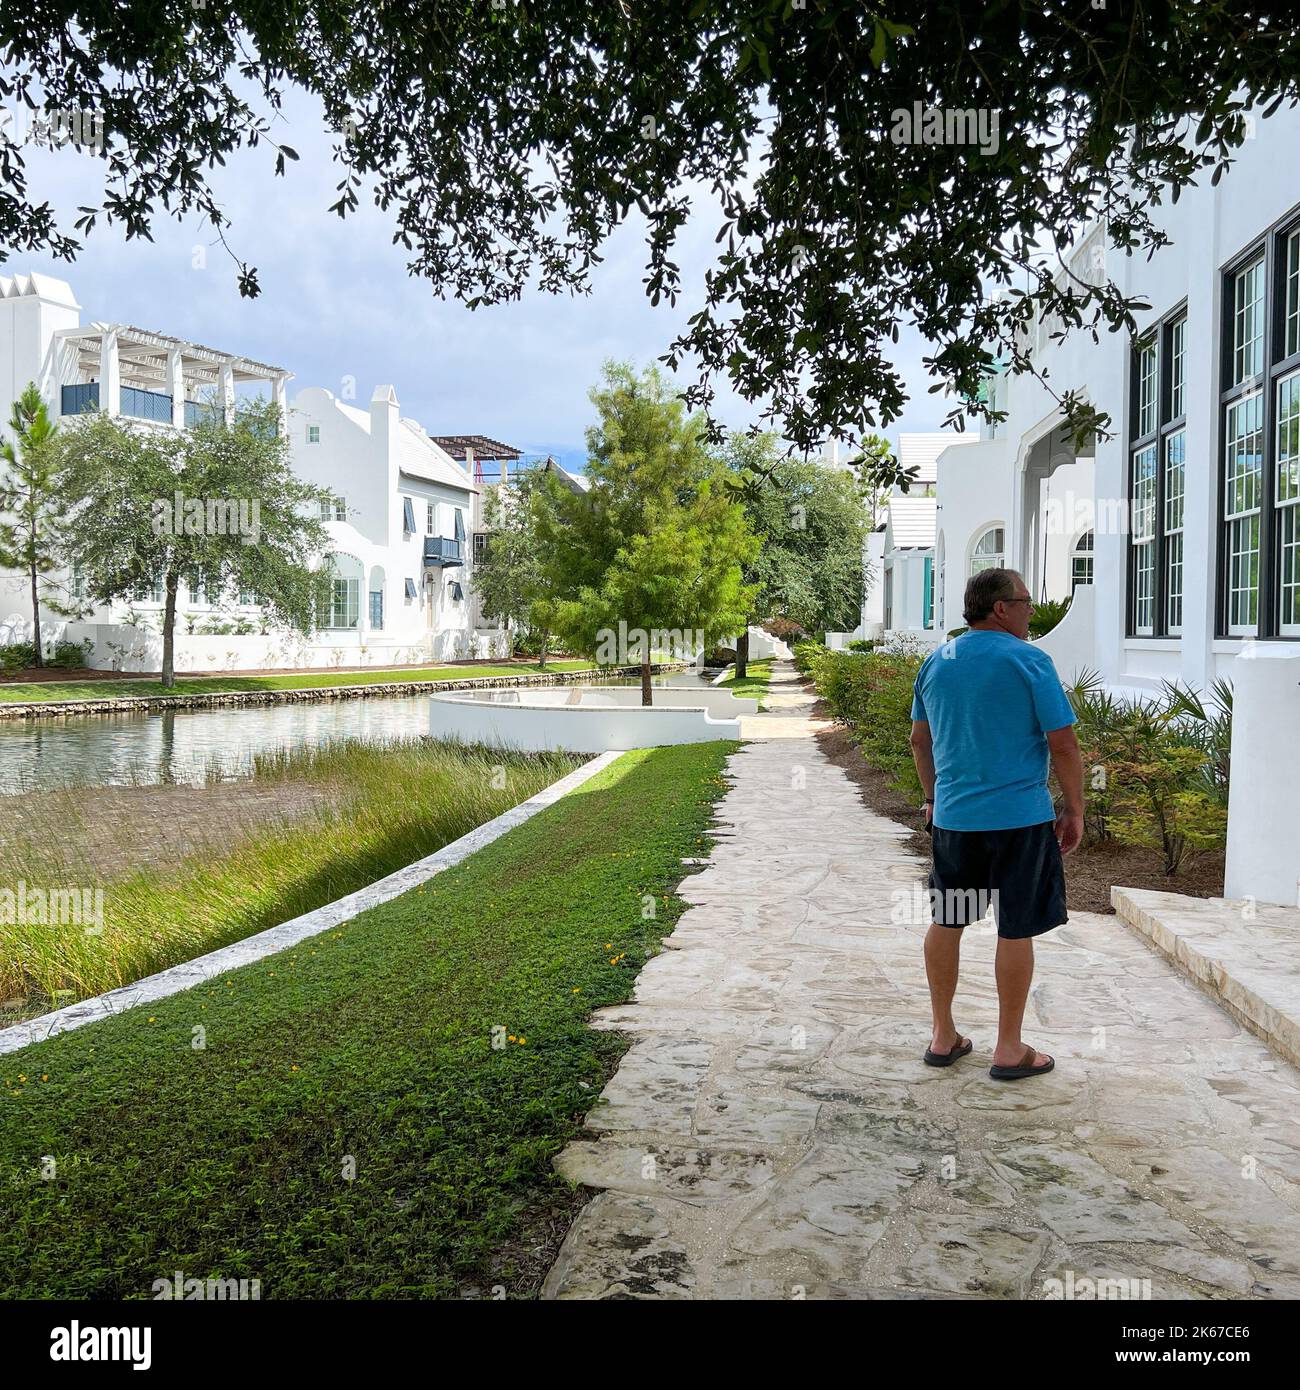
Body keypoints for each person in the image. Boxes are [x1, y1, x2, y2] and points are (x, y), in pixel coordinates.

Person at [908, 566, 1084, 1080]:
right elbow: (1064, 744)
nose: (1032, 610)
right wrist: (1074, 809)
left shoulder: (937, 661)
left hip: (956, 823)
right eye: (1026, 601)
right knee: (1016, 928)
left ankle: (943, 1036)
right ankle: (1009, 1048)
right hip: (1020, 825)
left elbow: (920, 742)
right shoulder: (1029, 661)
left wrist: (932, 799)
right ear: (1002, 608)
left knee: (948, 920)